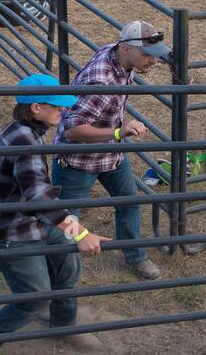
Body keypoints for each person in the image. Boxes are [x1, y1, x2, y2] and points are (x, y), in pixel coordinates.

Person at [0, 75, 106, 355]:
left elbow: (37, 199)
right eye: (57, 106)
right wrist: (81, 234)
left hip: (27, 220)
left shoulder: (28, 132)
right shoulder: (23, 142)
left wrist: (71, 231)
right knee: (34, 295)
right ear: (36, 108)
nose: (63, 111)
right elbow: (38, 199)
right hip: (6, 232)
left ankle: (63, 323)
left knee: (66, 267)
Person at [52, 21, 171, 281]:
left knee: (128, 202)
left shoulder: (118, 54)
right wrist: (119, 133)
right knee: (64, 217)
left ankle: (135, 255)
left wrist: (168, 58)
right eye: (148, 55)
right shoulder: (100, 82)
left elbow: (150, 55)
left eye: (157, 54)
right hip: (78, 160)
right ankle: (58, 271)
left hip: (111, 154)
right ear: (126, 49)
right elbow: (73, 130)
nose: (154, 61)